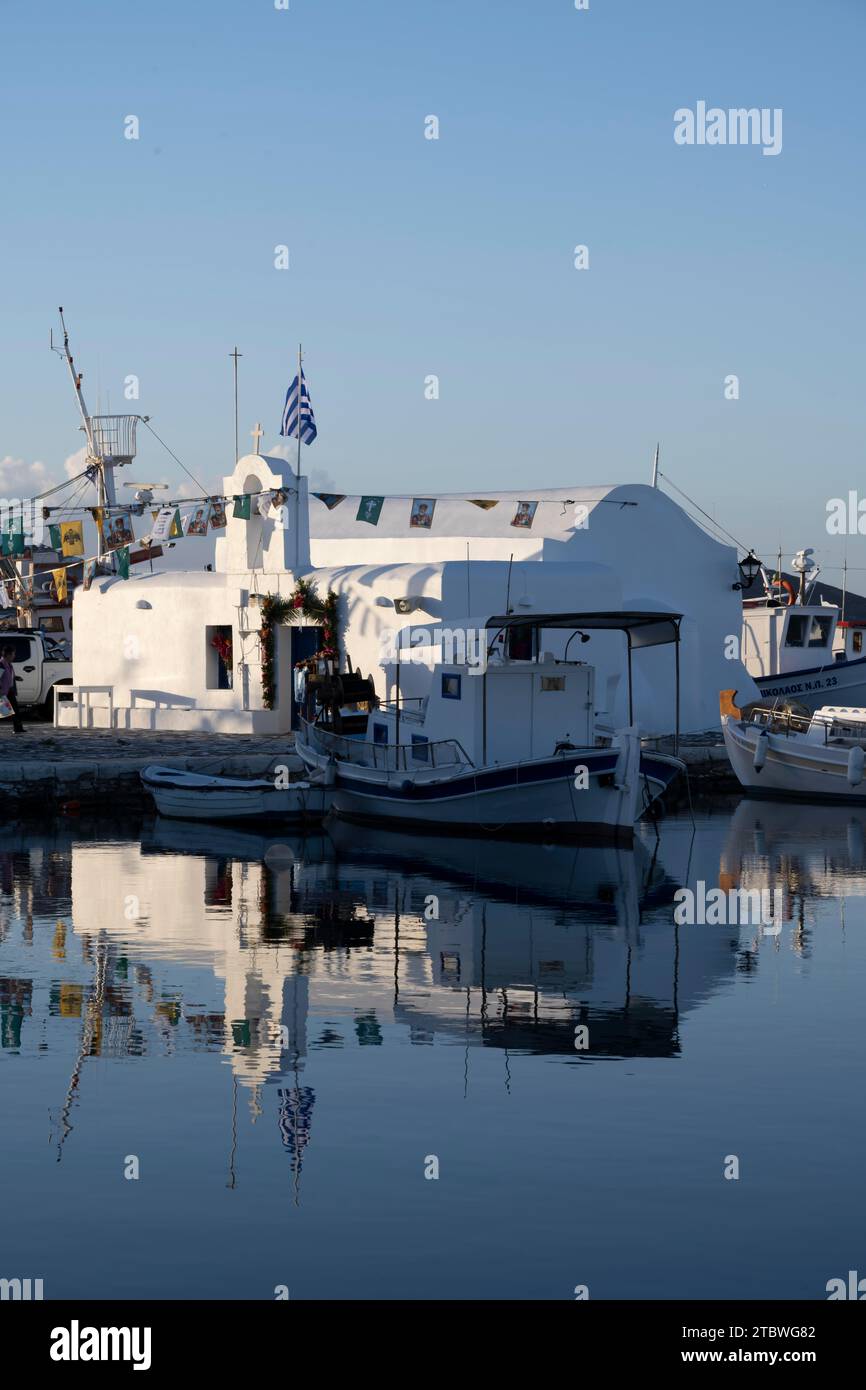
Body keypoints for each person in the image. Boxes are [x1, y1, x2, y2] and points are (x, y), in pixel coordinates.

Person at [0, 645, 24, 733]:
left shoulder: (9, 664)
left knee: (15, 710)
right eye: (13, 654)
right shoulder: (1, 664)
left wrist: (16, 678)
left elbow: (8, 676)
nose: (14, 656)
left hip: (9, 690)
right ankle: (18, 728)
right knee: (6, 712)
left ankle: (18, 728)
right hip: (2, 692)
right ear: (8, 655)